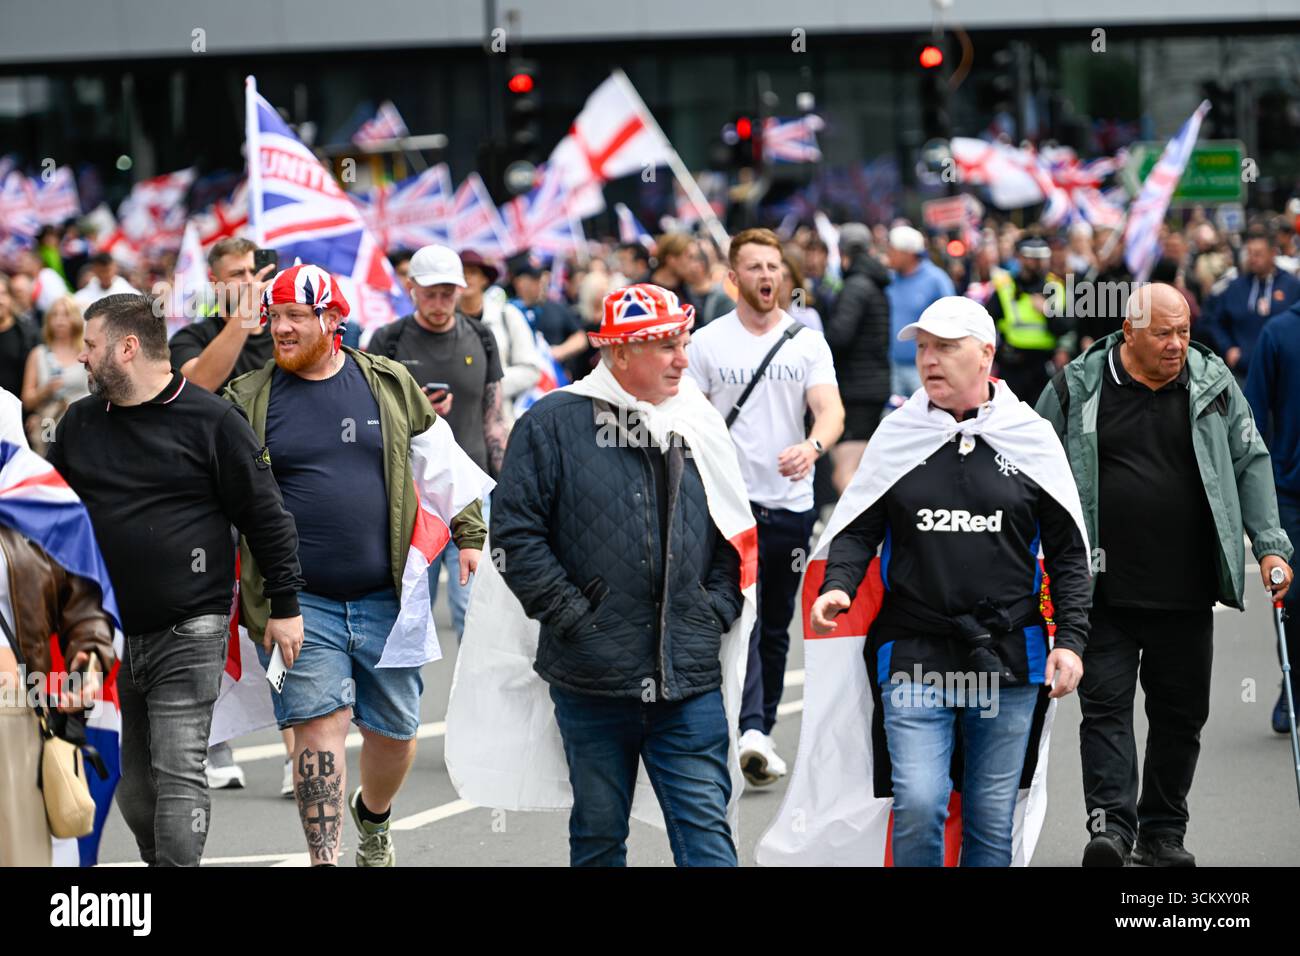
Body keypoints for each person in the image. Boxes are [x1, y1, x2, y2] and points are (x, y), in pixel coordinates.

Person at [803, 296, 1091, 866]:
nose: (929, 360)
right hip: (915, 647)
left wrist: (1072, 641)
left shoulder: (1029, 436)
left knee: (989, 813)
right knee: (919, 800)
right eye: (923, 348)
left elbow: (1068, 553)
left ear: (986, 354)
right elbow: (858, 528)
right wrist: (839, 583)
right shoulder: (899, 434)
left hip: (1009, 652)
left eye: (946, 347)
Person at [224, 265, 491, 867]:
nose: (281, 328)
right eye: (274, 316)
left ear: (332, 321)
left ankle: (373, 818)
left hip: (387, 598)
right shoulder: (248, 397)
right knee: (319, 728)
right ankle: (326, 861)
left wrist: (470, 534)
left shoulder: (388, 384)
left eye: (295, 316)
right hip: (300, 603)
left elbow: (441, 462)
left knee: (396, 737)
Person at [483, 282, 749, 866]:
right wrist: (575, 617)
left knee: (707, 835)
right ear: (619, 353)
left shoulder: (697, 420)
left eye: (683, 342)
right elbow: (515, 535)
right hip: (592, 679)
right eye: (665, 346)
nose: (683, 358)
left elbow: (734, 529)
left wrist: (715, 611)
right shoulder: (551, 423)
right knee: (600, 837)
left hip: (688, 675)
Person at [1036, 283, 1294, 867]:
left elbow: (1251, 461)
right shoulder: (1078, 386)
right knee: (1105, 712)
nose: (1177, 344)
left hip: (1184, 589)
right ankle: (1110, 831)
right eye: (1163, 333)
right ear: (1129, 332)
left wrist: (1271, 548)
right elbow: (1031, 457)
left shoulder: (1212, 384)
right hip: (1099, 590)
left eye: (1184, 331)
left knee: (1180, 717)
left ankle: (1162, 833)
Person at [47, 292, 305, 867]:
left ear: (127, 347)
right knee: (135, 790)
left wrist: (285, 604)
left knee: (179, 768)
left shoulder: (211, 420)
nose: (82, 359)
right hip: (106, 635)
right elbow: (49, 516)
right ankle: (161, 860)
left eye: (90, 346)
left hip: (190, 625)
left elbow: (267, 517)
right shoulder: (79, 422)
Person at [687, 228, 844, 785]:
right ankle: (729, 728)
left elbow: (830, 410)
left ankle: (756, 730)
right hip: (728, 507)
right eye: (753, 266)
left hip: (789, 507)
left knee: (775, 624)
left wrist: (812, 446)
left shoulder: (806, 342)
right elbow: (689, 418)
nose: (766, 276)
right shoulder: (706, 343)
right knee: (732, 620)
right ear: (733, 278)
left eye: (774, 266)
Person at [366, 245, 506, 640]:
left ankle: (474, 701)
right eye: (430, 293)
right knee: (411, 615)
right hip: (412, 496)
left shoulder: (481, 336)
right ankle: (406, 698)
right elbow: (368, 418)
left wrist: (507, 481)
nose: (440, 303)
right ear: (411, 288)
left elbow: (493, 419)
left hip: (471, 492)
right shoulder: (388, 340)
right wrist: (412, 411)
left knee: (475, 614)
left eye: (448, 293)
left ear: (461, 290)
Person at [0, 440, 118, 867]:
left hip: (16, 714)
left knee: (24, 853)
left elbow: (84, 605)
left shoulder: (38, 504)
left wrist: (88, 659)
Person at [1244, 299, 1300, 732]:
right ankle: (1292, 686)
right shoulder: (1278, 333)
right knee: (1293, 601)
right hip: (1290, 491)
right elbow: (1253, 415)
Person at [824, 222, 891, 492]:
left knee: (846, 472)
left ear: (844, 253)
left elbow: (840, 336)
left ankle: (854, 532)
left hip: (856, 391)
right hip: (870, 387)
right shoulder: (875, 283)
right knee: (859, 470)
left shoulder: (855, 286)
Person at [168, 237, 276, 393]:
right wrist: (246, 310)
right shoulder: (190, 337)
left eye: (254, 272)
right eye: (238, 274)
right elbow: (199, 384)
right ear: (215, 284)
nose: (250, 281)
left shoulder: (281, 333)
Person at [455, 249, 543, 425]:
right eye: (461, 274)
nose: (467, 279)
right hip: (457, 422)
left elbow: (531, 370)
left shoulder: (507, 314)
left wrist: (488, 384)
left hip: (501, 421)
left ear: (485, 279)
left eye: (473, 273)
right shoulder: (443, 320)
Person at [1199, 229, 1300, 381]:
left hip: (1284, 371)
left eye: (1258, 253)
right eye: (1250, 253)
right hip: (1243, 371)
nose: (1253, 258)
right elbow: (1214, 321)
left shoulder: (1291, 286)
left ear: (1273, 253)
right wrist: (1227, 348)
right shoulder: (1235, 287)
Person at [987, 237, 1067, 404]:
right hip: (1012, 362)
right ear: (1021, 258)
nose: (1037, 263)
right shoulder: (1005, 287)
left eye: (1041, 258)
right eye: (1032, 258)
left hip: (1042, 364)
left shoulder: (1056, 288)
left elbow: (1064, 327)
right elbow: (988, 321)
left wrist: (1047, 311)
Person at [884, 225, 956, 398]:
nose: (888, 255)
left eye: (892, 250)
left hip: (925, 369)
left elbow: (952, 322)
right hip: (893, 366)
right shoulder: (889, 279)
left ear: (907, 253)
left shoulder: (936, 279)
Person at [20, 295, 89, 454]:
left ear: (76, 318)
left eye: (66, 314)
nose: (60, 320)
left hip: (81, 423)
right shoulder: (39, 354)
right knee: (49, 462)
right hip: (48, 424)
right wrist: (45, 391)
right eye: (55, 315)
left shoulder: (86, 353)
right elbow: (27, 401)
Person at [510, 260, 588, 381]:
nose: (539, 283)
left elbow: (580, 338)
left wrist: (559, 351)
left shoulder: (557, 307)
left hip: (553, 377)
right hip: (521, 377)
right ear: (518, 282)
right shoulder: (509, 310)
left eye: (539, 278)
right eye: (533, 279)